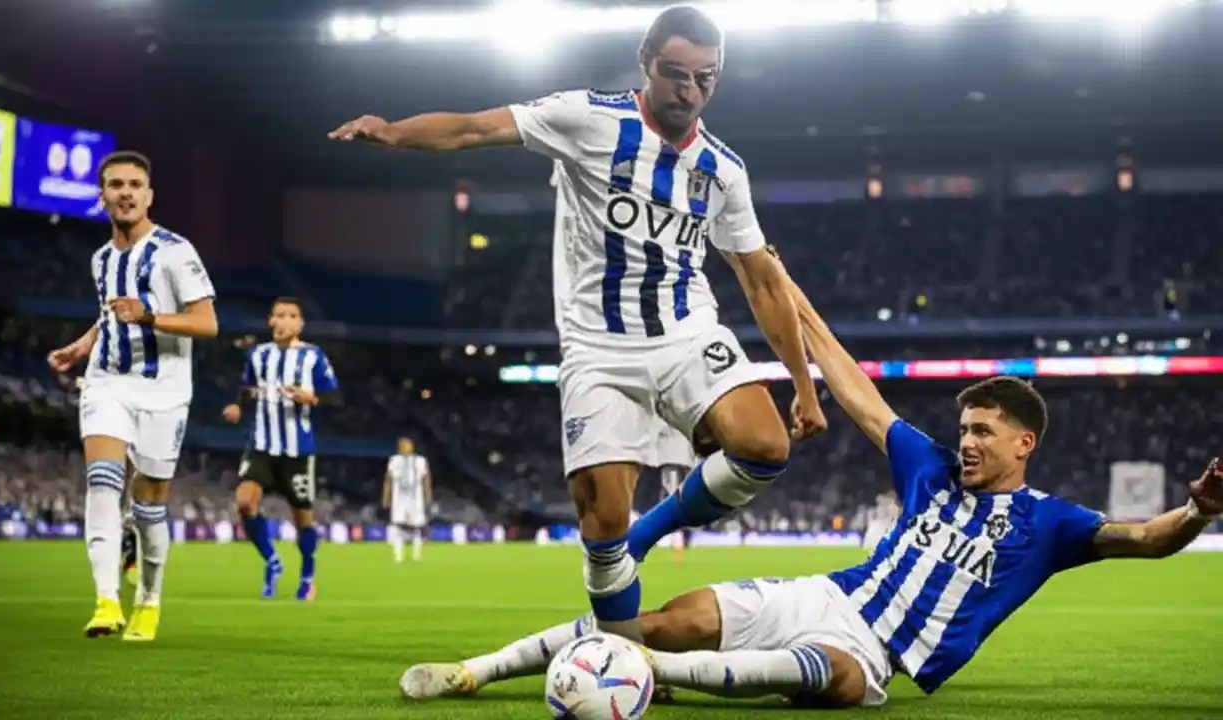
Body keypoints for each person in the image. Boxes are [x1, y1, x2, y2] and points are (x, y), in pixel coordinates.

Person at [397, 281, 1223, 707]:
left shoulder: (1051, 525)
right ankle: (474, 672)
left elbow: (1147, 540)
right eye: (963, 428)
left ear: (1022, 444)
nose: (965, 441)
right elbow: (855, 388)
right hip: (824, 594)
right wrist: (781, 288)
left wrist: (1200, 511)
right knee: (669, 617)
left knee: (832, 679)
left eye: (982, 432)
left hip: (873, 653)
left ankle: (644, 674)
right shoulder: (927, 464)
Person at [330, 4, 824, 641]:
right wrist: (394, 133)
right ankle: (624, 657)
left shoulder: (723, 170)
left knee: (766, 446)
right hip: (597, 346)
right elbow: (475, 129)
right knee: (602, 520)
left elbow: (761, 280)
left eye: (707, 78)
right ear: (646, 62)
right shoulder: (588, 117)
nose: (691, 89)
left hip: (685, 332)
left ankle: (652, 534)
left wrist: (804, 390)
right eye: (677, 73)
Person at [47, 150, 218, 641]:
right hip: (107, 383)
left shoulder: (175, 251)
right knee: (102, 483)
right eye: (115, 184)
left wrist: (148, 315)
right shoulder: (101, 258)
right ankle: (105, 600)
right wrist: (81, 347)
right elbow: (109, 315)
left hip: (165, 392)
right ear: (102, 196)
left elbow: (207, 323)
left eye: (134, 184)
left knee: (148, 508)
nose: (125, 192)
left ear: (149, 195)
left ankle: (149, 598)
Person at [223, 297, 340, 600]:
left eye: (291, 316)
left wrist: (311, 399)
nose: (284, 320)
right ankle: (272, 561)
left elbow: (333, 396)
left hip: (297, 452)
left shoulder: (314, 357)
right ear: (271, 321)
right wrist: (237, 405)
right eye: (279, 315)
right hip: (261, 445)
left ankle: (307, 575)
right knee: (245, 503)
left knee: (303, 522)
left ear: (300, 324)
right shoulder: (258, 355)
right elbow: (247, 388)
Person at [644, 416, 698, 562]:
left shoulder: (663, 414)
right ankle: (682, 535)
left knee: (671, 497)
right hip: (687, 458)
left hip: (672, 458)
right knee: (685, 496)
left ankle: (675, 535)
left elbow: (654, 432)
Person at [383, 438, 432, 564]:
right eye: (404, 446)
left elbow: (426, 479)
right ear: (399, 448)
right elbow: (388, 480)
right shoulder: (394, 461)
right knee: (398, 527)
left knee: (417, 527)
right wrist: (386, 497)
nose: (406, 448)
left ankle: (416, 555)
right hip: (399, 500)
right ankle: (398, 556)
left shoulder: (420, 461)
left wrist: (428, 495)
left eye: (408, 445)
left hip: (416, 500)